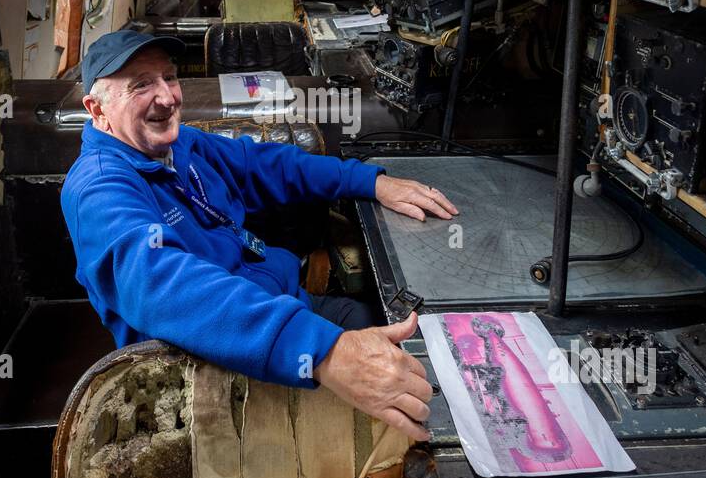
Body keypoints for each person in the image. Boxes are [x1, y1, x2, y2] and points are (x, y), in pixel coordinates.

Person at [60, 30, 459, 441]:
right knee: (402, 415)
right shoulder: (99, 189)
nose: (167, 97)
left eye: (169, 77)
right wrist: (325, 353)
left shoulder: (179, 147)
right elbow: (164, 286)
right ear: (97, 109)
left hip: (277, 305)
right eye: (141, 85)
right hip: (211, 363)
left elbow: (263, 165)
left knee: (388, 330)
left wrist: (369, 183)